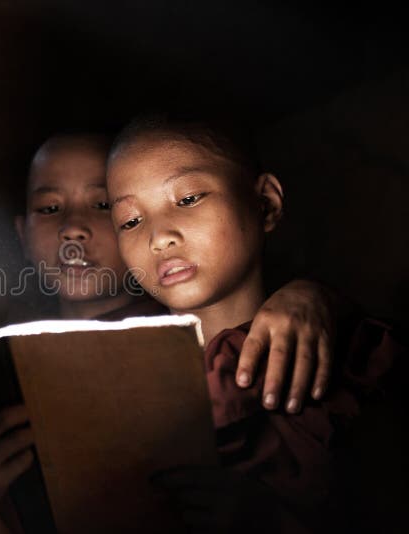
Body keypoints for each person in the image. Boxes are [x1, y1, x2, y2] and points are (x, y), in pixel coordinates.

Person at [0, 131, 348, 533]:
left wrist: (310, 295)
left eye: (104, 206)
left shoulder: (186, 344)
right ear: (22, 234)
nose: (73, 228)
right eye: (49, 209)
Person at [102, 112, 404, 532]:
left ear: (266, 202)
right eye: (131, 221)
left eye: (188, 199)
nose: (159, 237)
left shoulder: (352, 356)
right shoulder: (111, 373)